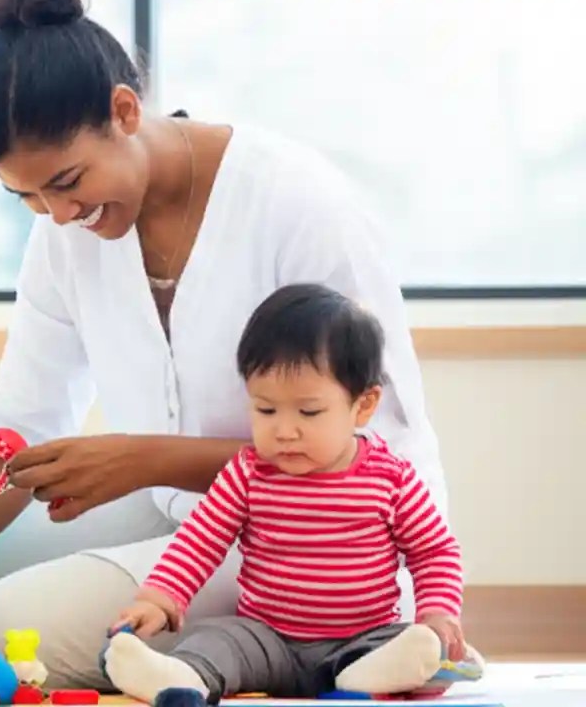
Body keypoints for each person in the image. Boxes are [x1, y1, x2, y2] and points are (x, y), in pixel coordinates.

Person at [0, 0, 448, 688]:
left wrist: (143, 460)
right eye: (29, 198)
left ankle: (329, 654)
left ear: (125, 111)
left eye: (67, 182)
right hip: (183, 515)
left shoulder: (297, 206)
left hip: (322, 542)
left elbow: (367, 457)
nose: (59, 215)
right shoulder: (63, 232)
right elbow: (15, 442)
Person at [103, 284, 480, 704]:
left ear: (363, 405)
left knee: (409, 644)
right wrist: (158, 597)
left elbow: (434, 552)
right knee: (216, 637)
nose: (284, 430)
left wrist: (436, 613)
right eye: (266, 410)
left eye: (309, 412)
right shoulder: (248, 474)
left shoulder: (390, 478)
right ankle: (180, 677)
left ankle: (379, 673)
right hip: (267, 639)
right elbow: (199, 541)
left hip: (361, 640)